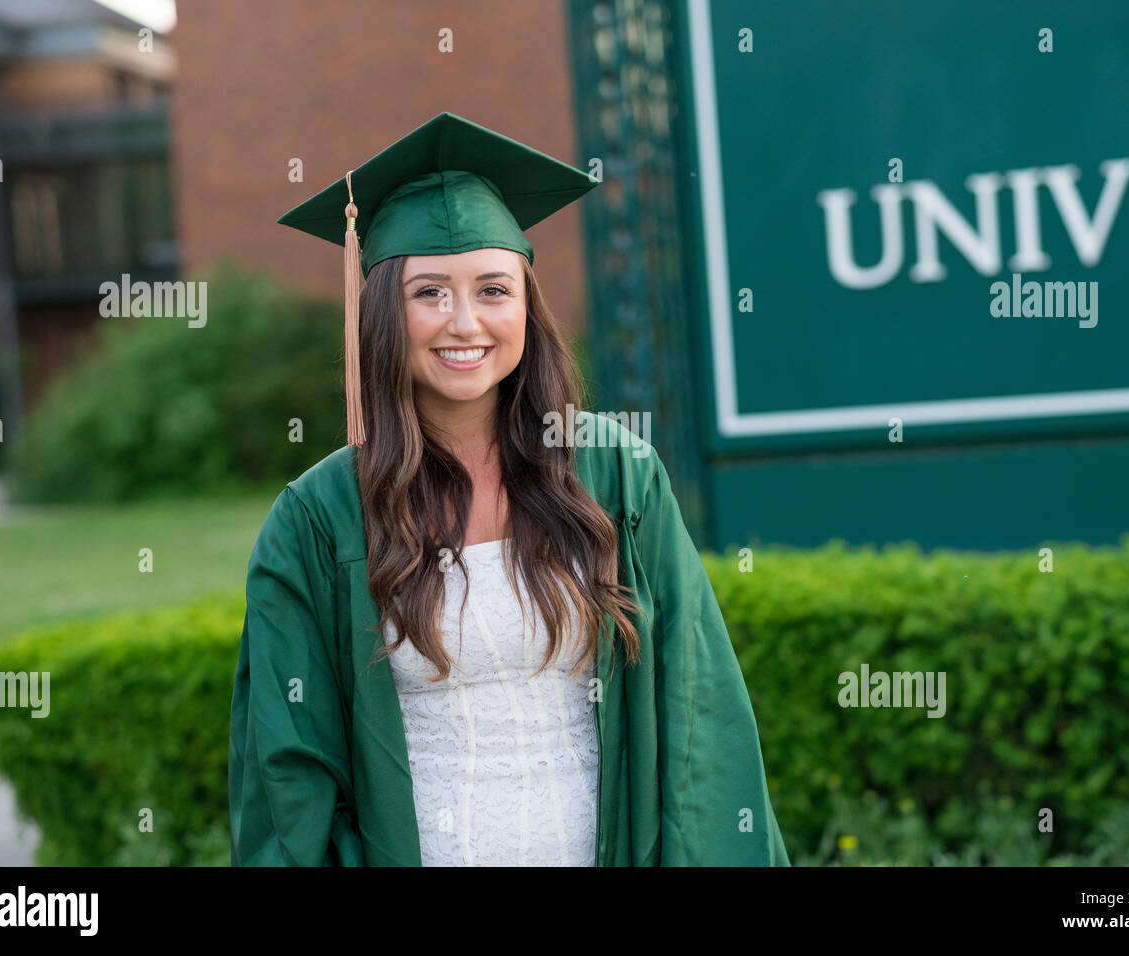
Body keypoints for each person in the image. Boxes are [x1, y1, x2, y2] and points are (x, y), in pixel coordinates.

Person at [228, 112, 789, 866]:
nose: (465, 321)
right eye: (430, 292)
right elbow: (286, 772)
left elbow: (699, 717)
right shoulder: (319, 519)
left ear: (526, 304)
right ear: (382, 312)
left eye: (493, 289)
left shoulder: (616, 476)